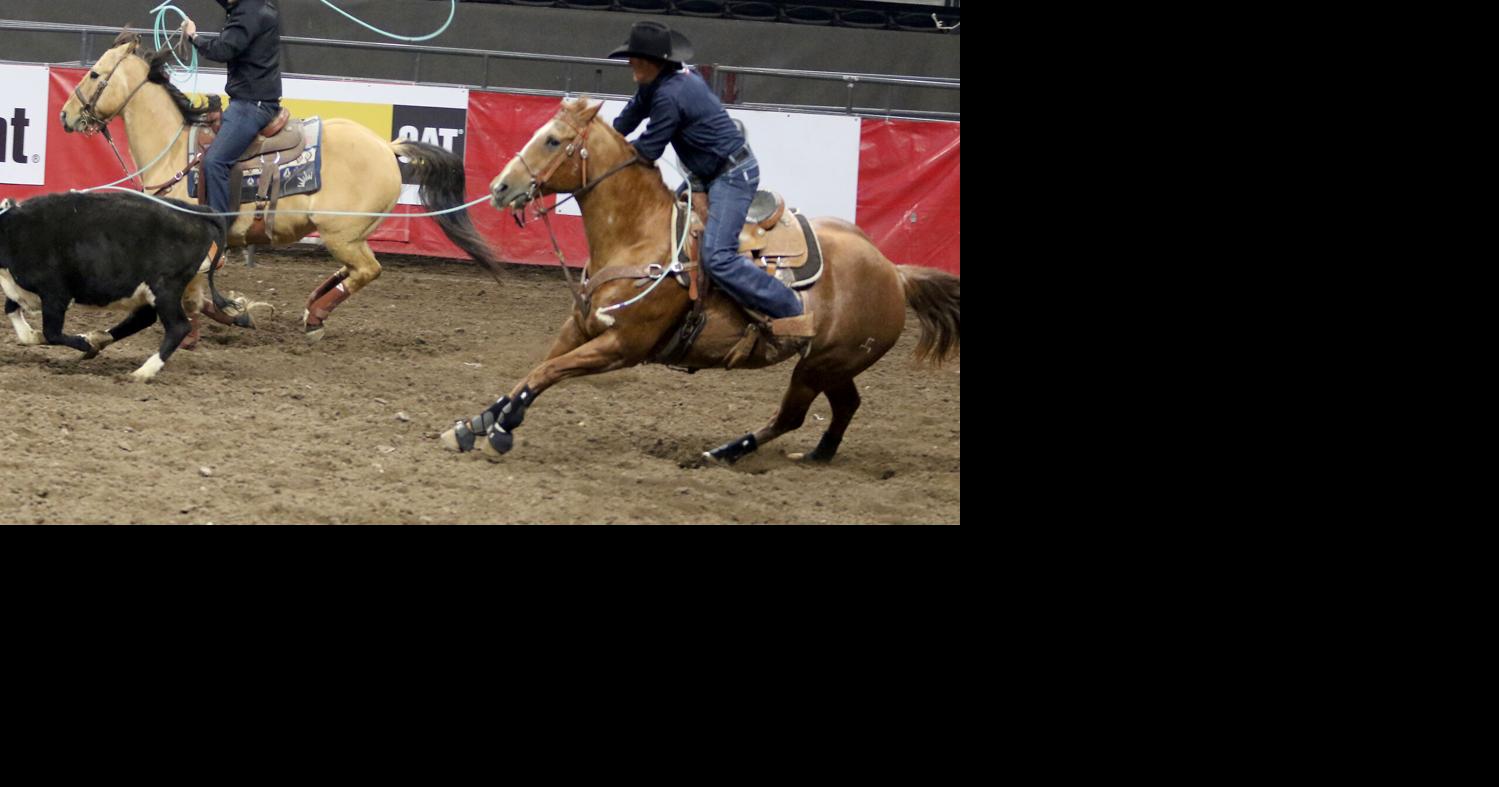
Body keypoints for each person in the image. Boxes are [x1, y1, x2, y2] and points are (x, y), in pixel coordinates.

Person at [609, 21, 809, 331]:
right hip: (709, 172)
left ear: (655, 62)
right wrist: (603, 138)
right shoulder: (661, 83)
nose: (630, 63)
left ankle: (791, 309)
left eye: (635, 58)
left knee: (718, 256)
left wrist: (604, 155)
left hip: (732, 175)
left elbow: (647, 151)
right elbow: (628, 117)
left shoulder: (670, 95)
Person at [183, 0, 283, 218]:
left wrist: (194, 37)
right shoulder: (256, 8)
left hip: (251, 104)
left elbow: (223, 49)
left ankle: (219, 230)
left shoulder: (248, 13)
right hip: (253, 100)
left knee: (214, 162)